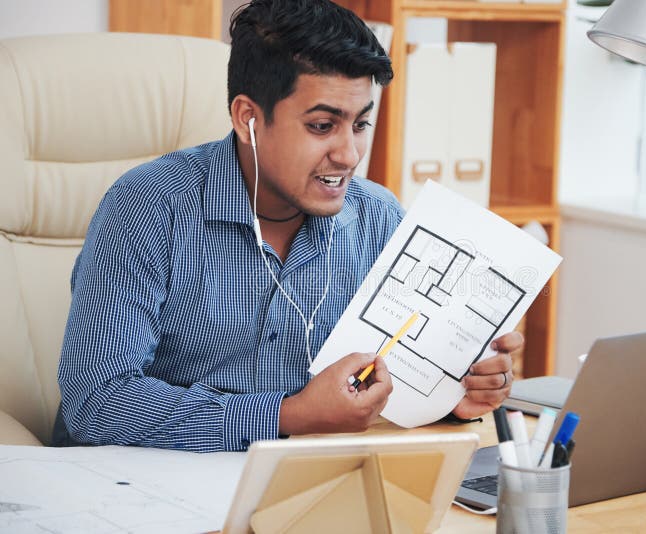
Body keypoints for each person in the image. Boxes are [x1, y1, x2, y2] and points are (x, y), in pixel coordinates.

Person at [54, 0, 521, 452]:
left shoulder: (378, 217)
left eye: (360, 124)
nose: (350, 154)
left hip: (306, 485)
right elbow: (95, 401)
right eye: (322, 126)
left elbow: (390, 385)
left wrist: (453, 394)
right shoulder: (150, 208)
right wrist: (289, 415)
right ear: (248, 118)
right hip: (146, 489)